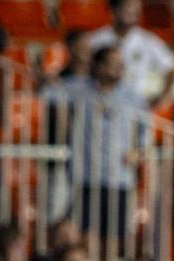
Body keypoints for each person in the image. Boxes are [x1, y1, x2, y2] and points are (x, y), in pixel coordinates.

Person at [58, 45, 150, 242]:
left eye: (120, 64)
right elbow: (48, 91)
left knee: (115, 236)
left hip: (120, 176)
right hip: (86, 175)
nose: (118, 68)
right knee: (84, 233)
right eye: (112, 63)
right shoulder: (78, 89)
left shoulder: (133, 96)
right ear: (99, 66)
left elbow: (146, 128)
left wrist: (140, 151)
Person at [88, 0, 174, 107]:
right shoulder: (96, 40)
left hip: (136, 107)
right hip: (101, 105)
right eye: (128, 7)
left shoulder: (148, 41)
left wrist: (159, 99)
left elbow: (172, 69)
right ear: (114, 10)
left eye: (137, 9)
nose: (133, 12)